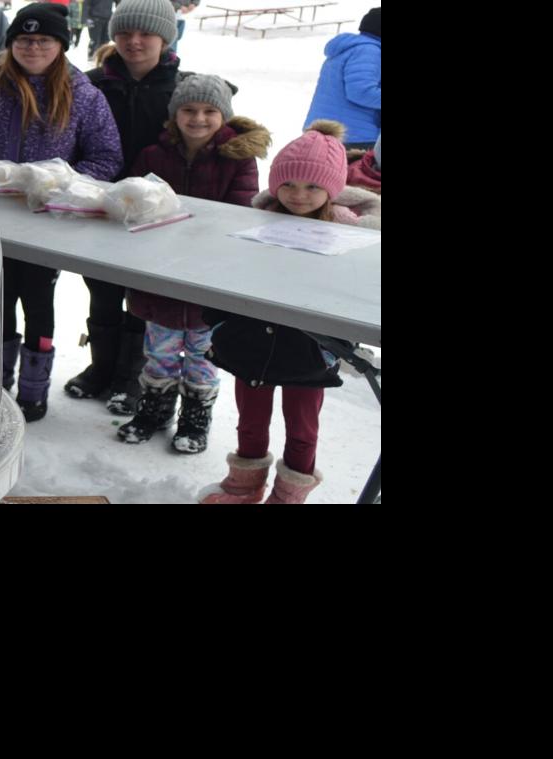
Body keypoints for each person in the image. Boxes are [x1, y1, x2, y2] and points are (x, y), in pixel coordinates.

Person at [0, 2, 121, 421]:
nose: (32, 48)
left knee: (39, 303)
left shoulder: (84, 96)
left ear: (61, 45)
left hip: (46, 223)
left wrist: (58, 183)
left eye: (43, 40)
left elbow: (106, 157)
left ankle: (34, 391)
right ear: (11, 44)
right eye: (23, 39)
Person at [200, 121, 379, 504]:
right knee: (250, 423)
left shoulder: (351, 235)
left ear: (331, 188)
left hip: (310, 350)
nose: (298, 195)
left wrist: (339, 340)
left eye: (312, 186)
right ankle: (243, 489)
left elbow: (356, 288)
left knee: (302, 429)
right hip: (251, 344)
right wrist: (217, 321)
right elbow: (225, 271)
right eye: (289, 184)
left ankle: (288, 497)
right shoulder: (254, 222)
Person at [117, 74, 268, 453]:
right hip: (160, 276)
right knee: (159, 351)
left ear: (223, 115)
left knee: (203, 355)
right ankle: (155, 408)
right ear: (175, 113)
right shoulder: (153, 155)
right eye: (188, 109)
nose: (198, 119)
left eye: (208, 111)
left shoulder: (238, 159)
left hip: (209, 280)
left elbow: (239, 215)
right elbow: (135, 203)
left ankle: (196, 417)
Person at [66, 0, 185, 416]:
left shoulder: (183, 89)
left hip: (158, 214)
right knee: (101, 290)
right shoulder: (92, 83)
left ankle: (131, 375)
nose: (134, 41)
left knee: (143, 295)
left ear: (165, 38)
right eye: (125, 33)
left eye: (146, 33)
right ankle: (101, 367)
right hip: (100, 204)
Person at [303, 7, 379, 151]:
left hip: (330, 130)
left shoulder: (351, 47)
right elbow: (361, 92)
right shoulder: (368, 51)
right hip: (353, 135)